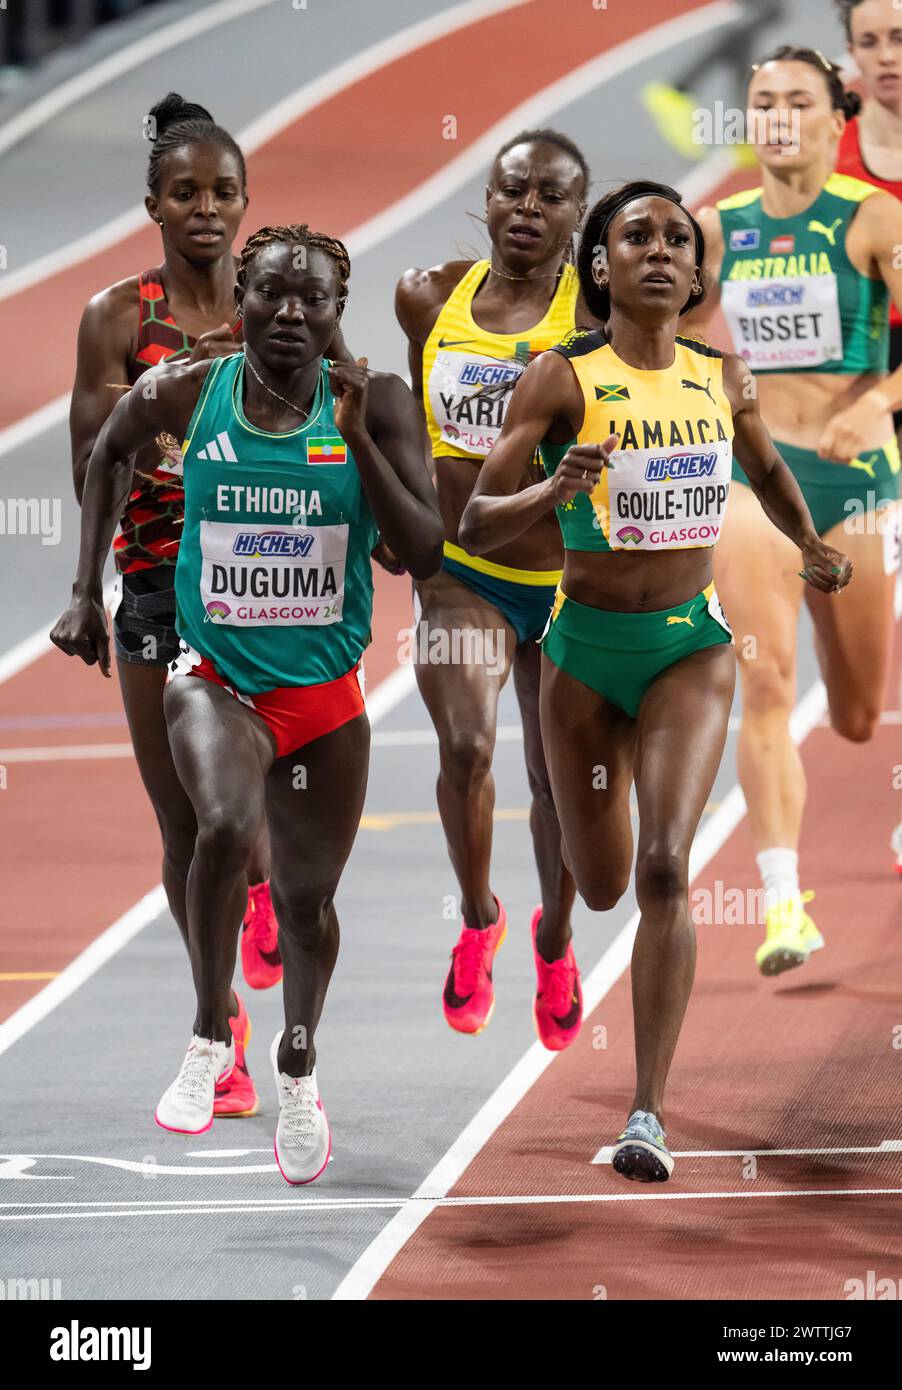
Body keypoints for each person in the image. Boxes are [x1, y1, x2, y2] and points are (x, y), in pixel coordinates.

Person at [459, 180, 850, 1180]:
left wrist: (807, 542)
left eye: (677, 238)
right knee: (597, 887)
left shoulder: (723, 377)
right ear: (601, 266)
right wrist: (555, 486)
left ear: (694, 270)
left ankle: (646, 1114)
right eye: (636, 237)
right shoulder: (557, 377)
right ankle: (546, 920)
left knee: (665, 868)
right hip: (581, 658)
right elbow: (475, 520)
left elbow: (761, 470)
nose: (661, 251)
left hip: (685, 648)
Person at [52, 224, 443, 1182]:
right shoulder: (193, 387)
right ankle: (208, 1034)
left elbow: (424, 549)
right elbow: (107, 451)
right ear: (243, 297)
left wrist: (358, 448)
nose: (289, 313)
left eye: (310, 298)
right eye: (269, 293)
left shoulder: (376, 402)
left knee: (308, 906)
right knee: (223, 825)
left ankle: (299, 1061)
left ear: (336, 311)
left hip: (324, 696)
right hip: (214, 678)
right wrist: (82, 590)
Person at [688, 48, 902, 966]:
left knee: (857, 712)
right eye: (761, 102)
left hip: (853, 481)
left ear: (835, 117)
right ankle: (783, 902)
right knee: (765, 683)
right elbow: (665, 342)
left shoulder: (874, 217)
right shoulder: (714, 229)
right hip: (755, 479)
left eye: (797, 102)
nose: (777, 116)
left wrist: (878, 400)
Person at [395, 129, 600, 1051]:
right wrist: (403, 520)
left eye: (550, 196)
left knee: (552, 779)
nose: (528, 207)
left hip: (562, 577)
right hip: (461, 573)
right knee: (467, 747)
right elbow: (413, 425)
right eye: (512, 190)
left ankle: (554, 939)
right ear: (485, 198)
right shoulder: (427, 297)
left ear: (576, 217)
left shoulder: (593, 321)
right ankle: (479, 918)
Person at [833, 0, 902, 872]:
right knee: (854, 707)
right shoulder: (829, 157)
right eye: (872, 42)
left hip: (880, 409)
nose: (889, 56)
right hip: (848, 425)